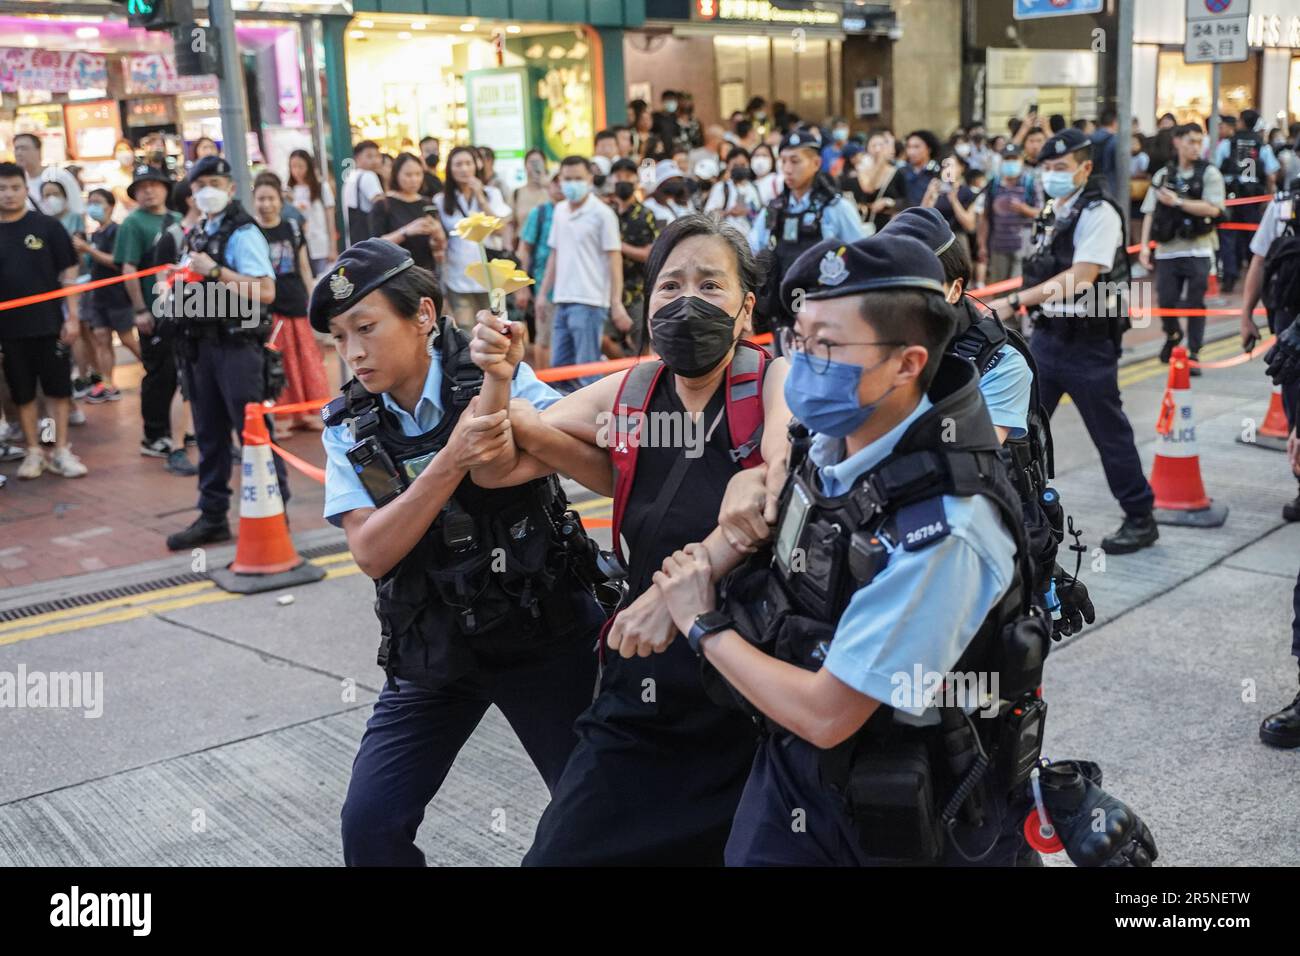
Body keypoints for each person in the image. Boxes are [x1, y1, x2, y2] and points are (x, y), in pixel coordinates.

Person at [466, 213, 791, 865]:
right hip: (640, 697)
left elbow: (772, 491)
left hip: (748, 694)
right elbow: (495, 465)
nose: (687, 301)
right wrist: (501, 378)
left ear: (747, 305)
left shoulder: (773, 381)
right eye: (670, 287)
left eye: (710, 285)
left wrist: (674, 596)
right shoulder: (634, 391)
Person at [311, 240, 607, 866]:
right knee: (369, 828)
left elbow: (552, 455)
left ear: (422, 314)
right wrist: (447, 463)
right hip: (433, 647)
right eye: (340, 337)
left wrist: (503, 387)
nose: (354, 352)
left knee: (593, 819)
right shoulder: (348, 424)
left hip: (542, 632)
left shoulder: (498, 372)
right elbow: (371, 551)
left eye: (366, 328)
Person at [989, 129, 1157, 555]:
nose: (1052, 176)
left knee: (1108, 433)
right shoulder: (1054, 209)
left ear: (1085, 168)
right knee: (1019, 429)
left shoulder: (1099, 212)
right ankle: (1016, 513)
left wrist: (1013, 302)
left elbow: (1082, 277)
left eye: (1060, 168)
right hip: (1047, 338)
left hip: (1088, 343)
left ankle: (1140, 516)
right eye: (1046, 168)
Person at [163, 155, 286, 550]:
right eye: (200, 187)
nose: (207, 192)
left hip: (237, 346)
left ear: (231, 188)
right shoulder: (198, 231)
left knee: (252, 432)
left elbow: (265, 292)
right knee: (211, 436)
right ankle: (213, 516)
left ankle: (274, 513)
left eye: (215, 183)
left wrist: (215, 271)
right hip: (200, 347)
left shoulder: (242, 232)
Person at [0, 161, 87, 479]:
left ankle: (61, 449)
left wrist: (72, 317)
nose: (8, 194)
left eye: (14, 187)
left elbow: (69, 273)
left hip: (50, 325)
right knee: (21, 392)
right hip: (9, 330)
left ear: (26, 189)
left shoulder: (47, 227)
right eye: (2, 189)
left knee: (58, 390)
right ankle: (34, 450)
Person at [749, 125, 866, 333]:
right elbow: (752, 249)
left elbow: (861, 257)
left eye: (795, 161)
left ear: (816, 163)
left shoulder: (836, 208)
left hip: (827, 314)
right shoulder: (773, 210)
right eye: (783, 161)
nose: (787, 168)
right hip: (781, 315)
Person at [1139, 123, 1226, 374]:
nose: (1196, 147)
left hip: (1199, 249)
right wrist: (1145, 247)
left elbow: (1214, 208)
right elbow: (1149, 212)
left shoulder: (1209, 174)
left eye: (1200, 141)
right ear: (1177, 142)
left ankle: (1194, 352)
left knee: (1195, 302)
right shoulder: (1163, 176)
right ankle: (1173, 334)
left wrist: (1177, 202)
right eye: (1190, 141)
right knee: (1166, 300)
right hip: (1167, 250)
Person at [1239, 175, 1300, 523]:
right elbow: (1259, 260)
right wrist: (1246, 316)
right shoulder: (1282, 203)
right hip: (1289, 326)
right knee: (1294, 406)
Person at [535, 156, 627, 386]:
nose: (572, 183)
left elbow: (614, 258)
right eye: (567, 179)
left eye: (578, 178)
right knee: (560, 370)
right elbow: (555, 255)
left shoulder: (602, 214)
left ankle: (594, 420)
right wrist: (542, 295)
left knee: (588, 371)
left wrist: (616, 302)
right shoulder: (560, 211)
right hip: (562, 299)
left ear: (589, 179)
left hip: (590, 301)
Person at [252, 173, 330, 439]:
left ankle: (308, 413)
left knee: (306, 359)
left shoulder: (292, 228)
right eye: (261, 199)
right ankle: (282, 415)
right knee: (278, 363)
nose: (266, 204)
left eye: (271, 198)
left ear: (280, 200)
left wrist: (313, 298)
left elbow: (304, 266)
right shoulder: (251, 233)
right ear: (254, 201)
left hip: (296, 300)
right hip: (269, 306)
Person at [73, 189, 140, 405]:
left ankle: (157, 368)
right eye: (90, 202)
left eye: (98, 202)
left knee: (127, 338)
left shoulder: (118, 232)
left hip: (118, 295)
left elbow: (117, 262)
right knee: (101, 338)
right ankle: (108, 383)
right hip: (98, 296)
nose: (93, 206)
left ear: (110, 206)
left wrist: (88, 251)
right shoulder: (96, 234)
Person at [436, 145, 512, 330]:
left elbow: (499, 229)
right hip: (457, 273)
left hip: (489, 274)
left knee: (495, 328)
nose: (464, 169)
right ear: (450, 169)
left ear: (476, 166)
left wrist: (480, 196)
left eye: (468, 163)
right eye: (458, 164)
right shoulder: (441, 200)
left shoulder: (491, 193)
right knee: (465, 329)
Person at [1218, 109, 1281, 294]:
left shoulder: (1228, 144)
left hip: (1231, 196)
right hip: (1253, 197)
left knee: (1229, 235)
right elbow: (1271, 175)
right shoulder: (1262, 146)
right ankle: (1255, 278)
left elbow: (1215, 166)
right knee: (1254, 237)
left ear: (1242, 122)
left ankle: (1230, 275)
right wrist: (1268, 197)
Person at [607, 157, 660, 355]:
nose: (623, 181)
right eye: (618, 176)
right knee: (604, 340)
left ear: (636, 180)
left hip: (637, 290)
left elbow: (649, 253)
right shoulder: (606, 213)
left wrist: (617, 246)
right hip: (607, 289)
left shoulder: (645, 214)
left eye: (628, 176)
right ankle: (623, 371)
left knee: (642, 344)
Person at [368, 152, 445, 278]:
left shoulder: (427, 202)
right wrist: (406, 231)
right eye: (408, 175)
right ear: (396, 174)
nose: (414, 180)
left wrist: (438, 234)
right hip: (396, 274)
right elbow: (375, 244)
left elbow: (438, 245)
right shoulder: (383, 204)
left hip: (426, 273)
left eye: (418, 174)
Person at [516, 174, 562, 369]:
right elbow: (524, 250)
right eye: (557, 183)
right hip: (545, 286)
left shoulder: (581, 213)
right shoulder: (541, 213)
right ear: (549, 186)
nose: (561, 188)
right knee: (544, 339)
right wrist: (522, 286)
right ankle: (547, 386)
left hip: (576, 289)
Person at [980, 142, 1037, 285]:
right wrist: (982, 245)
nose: (1010, 163)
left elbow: (1041, 212)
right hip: (998, 246)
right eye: (1007, 159)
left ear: (1022, 161)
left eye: (1014, 159)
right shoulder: (993, 184)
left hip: (1023, 247)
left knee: (1018, 288)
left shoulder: (1030, 183)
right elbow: (985, 217)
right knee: (998, 287)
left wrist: (1024, 209)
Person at [286, 149, 338, 276]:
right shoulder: (289, 191)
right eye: (293, 166)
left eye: (301, 166)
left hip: (320, 245)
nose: (297, 171)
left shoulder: (321, 188)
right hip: (298, 247)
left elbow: (330, 220)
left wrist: (333, 248)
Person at [845, 129, 904, 230]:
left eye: (881, 145)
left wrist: (888, 202)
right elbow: (869, 188)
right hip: (867, 223)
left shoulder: (897, 172)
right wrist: (879, 163)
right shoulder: (862, 170)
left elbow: (906, 199)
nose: (877, 149)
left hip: (890, 224)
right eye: (874, 145)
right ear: (867, 148)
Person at [12, 133, 83, 217]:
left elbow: (78, 208)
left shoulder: (58, 175)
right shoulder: (19, 181)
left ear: (38, 151)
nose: (19, 153)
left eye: (24, 148)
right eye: (16, 149)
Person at [704, 148, 761, 235]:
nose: (739, 168)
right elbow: (708, 216)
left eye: (743, 165)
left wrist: (748, 212)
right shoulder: (721, 188)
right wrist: (728, 212)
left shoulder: (754, 187)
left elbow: (760, 213)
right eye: (735, 165)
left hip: (751, 241)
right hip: (727, 239)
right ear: (728, 166)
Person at [342, 140, 385, 246]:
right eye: (369, 156)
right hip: (369, 239)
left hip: (354, 240)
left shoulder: (351, 177)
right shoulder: (368, 176)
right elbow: (381, 204)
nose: (375, 160)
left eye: (377, 156)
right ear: (357, 158)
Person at [641, 159, 692, 227]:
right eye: (671, 180)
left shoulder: (685, 202)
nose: (675, 182)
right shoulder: (649, 205)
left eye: (677, 179)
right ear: (660, 183)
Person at [899, 130, 942, 209]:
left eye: (916, 147)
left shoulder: (938, 171)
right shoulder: (901, 171)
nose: (911, 152)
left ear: (929, 149)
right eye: (909, 147)